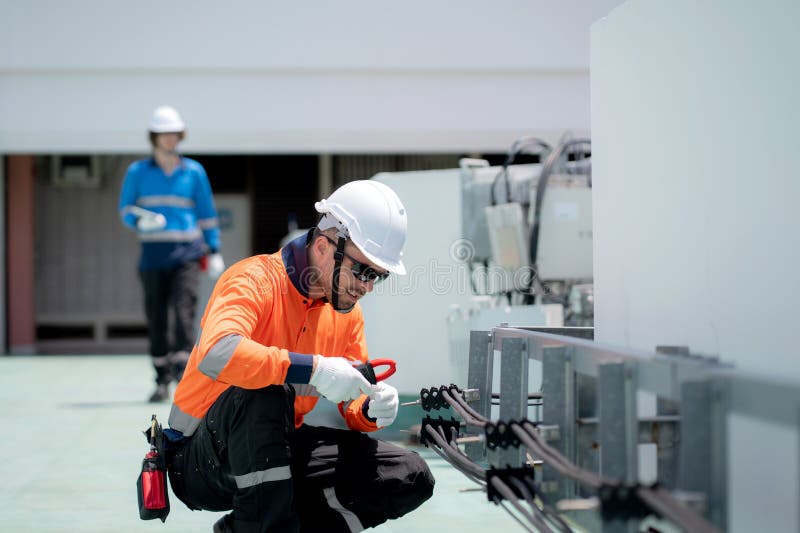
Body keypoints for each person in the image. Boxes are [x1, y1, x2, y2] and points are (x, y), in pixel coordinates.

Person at [164, 180, 435, 532]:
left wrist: (369, 409)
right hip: (200, 459)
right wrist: (314, 369)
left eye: (377, 277)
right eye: (363, 271)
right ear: (323, 247)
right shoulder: (252, 279)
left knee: (407, 476)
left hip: (277, 445)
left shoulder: (347, 314)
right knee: (265, 390)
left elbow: (352, 400)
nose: (367, 287)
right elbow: (217, 351)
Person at [119, 105, 225, 403]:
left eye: (173, 134)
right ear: (154, 137)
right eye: (163, 134)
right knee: (156, 318)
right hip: (152, 255)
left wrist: (213, 248)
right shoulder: (137, 172)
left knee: (183, 315)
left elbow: (206, 214)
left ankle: (183, 376)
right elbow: (125, 209)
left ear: (180, 136)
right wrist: (139, 220)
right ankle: (160, 378)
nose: (169, 139)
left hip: (187, 254)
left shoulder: (193, 171)